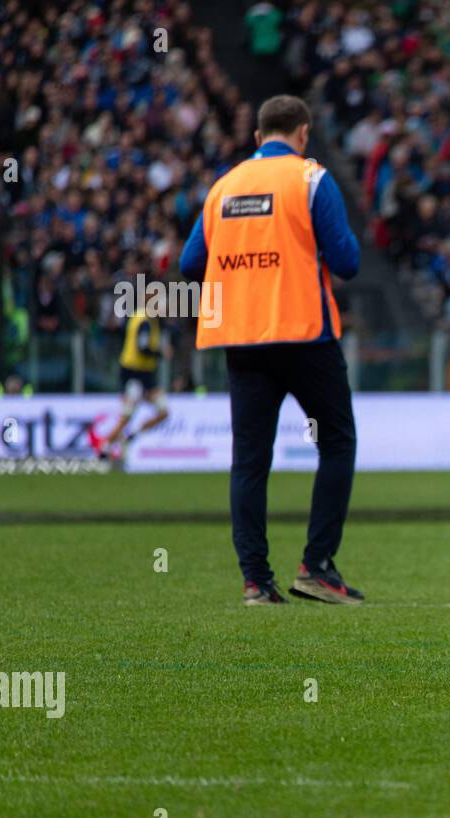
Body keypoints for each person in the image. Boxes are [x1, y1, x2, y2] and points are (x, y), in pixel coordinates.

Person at [180, 94, 363, 606]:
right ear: (302, 133)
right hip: (304, 333)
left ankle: (255, 581)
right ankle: (317, 567)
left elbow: (191, 262)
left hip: (241, 338)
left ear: (259, 137)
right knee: (337, 443)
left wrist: (245, 272)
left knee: (250, 460)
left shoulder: (224, 186)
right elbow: (347, 260)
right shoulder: (310, 178)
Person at [96, 305, 170, 461]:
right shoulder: (145, 322)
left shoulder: (144, 318)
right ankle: (104, 446)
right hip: (133, 374)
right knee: (126, 416)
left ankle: (131, 435)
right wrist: (161, 352)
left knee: (163, 412)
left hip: (146, 375)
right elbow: (142, 348)